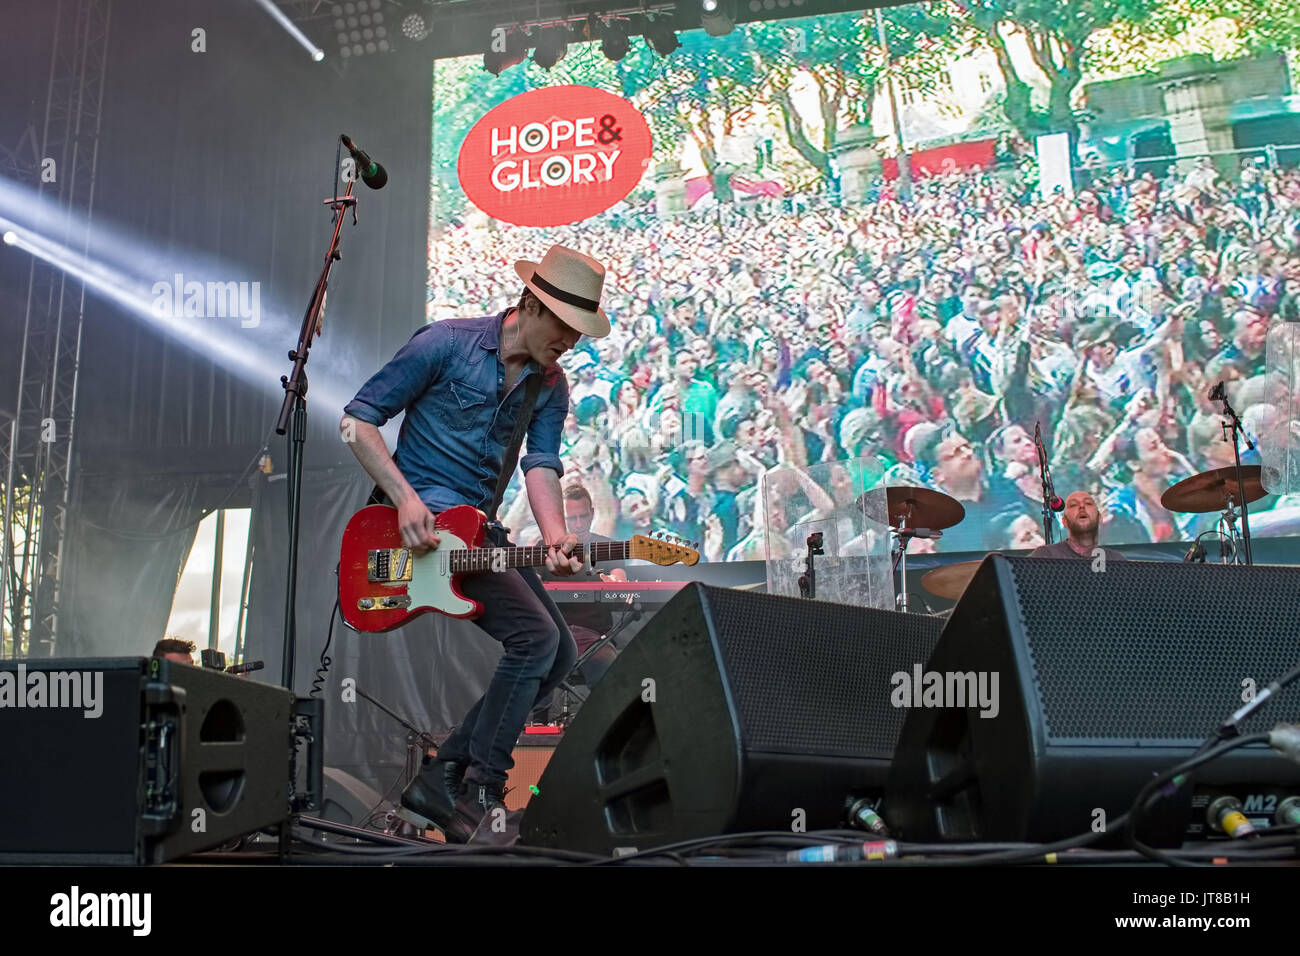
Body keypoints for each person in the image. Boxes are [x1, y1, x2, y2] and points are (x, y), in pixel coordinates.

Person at [340, 244, 611, 846]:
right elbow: (358, 422)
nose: (570, 342)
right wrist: (406, 498)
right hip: (414, 528)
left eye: (579, 332)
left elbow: (539, 463)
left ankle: (442, 776)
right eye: (566, 327)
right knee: (537, 637)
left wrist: (557, 534)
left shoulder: (550, 384)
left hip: (475, 532)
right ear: (534, 306)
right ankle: (481, 780)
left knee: (560, 650)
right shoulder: (445, 343)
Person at [1028, 491, 1127, 563]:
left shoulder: (1116, 560)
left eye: (1088, 503)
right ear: (1064, 521)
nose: (1082, 507)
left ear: (1099, 518)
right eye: (1073, 505)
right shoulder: (1045, 556)